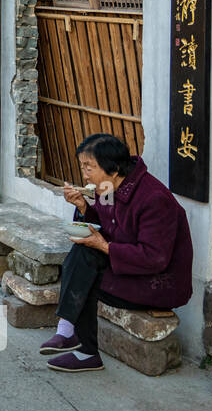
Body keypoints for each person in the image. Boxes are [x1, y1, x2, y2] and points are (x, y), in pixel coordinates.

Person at [41, 133, 193, 373]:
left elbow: (154, 258)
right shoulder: (108, 189)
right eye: (83, 167)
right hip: (128, 271)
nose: (85, 175)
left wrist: (104, 246)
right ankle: (71, 334)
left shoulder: (154, 199)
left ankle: (80, 346)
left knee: (85, 274)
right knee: (82, 256)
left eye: (89, 168)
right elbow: (105, 226)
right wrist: (83, 207)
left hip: (158, 284)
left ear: (113, 170)